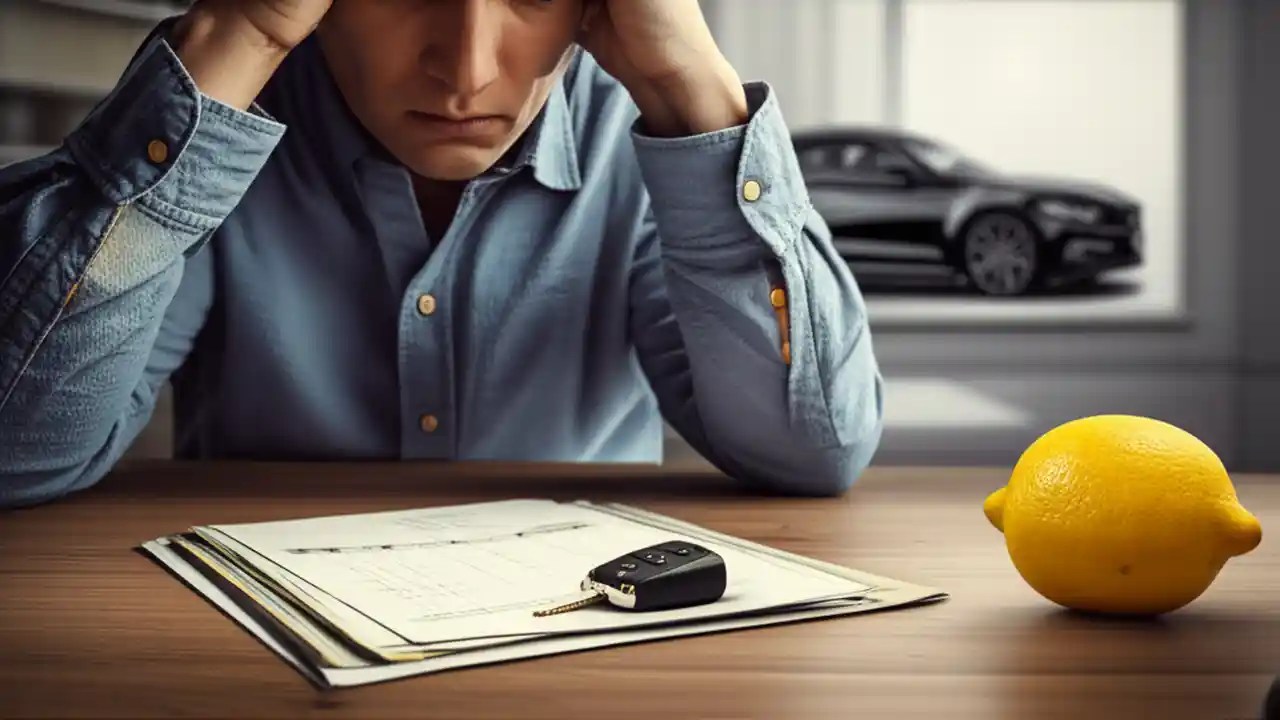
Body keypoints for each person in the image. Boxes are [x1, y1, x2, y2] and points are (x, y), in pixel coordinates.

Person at [0, 0, 884, 509]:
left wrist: (691, 81)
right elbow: (20, 453)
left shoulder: (641, 143)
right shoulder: (219, 127)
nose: (464, 72)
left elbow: (812, 453)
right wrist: (249, 27)